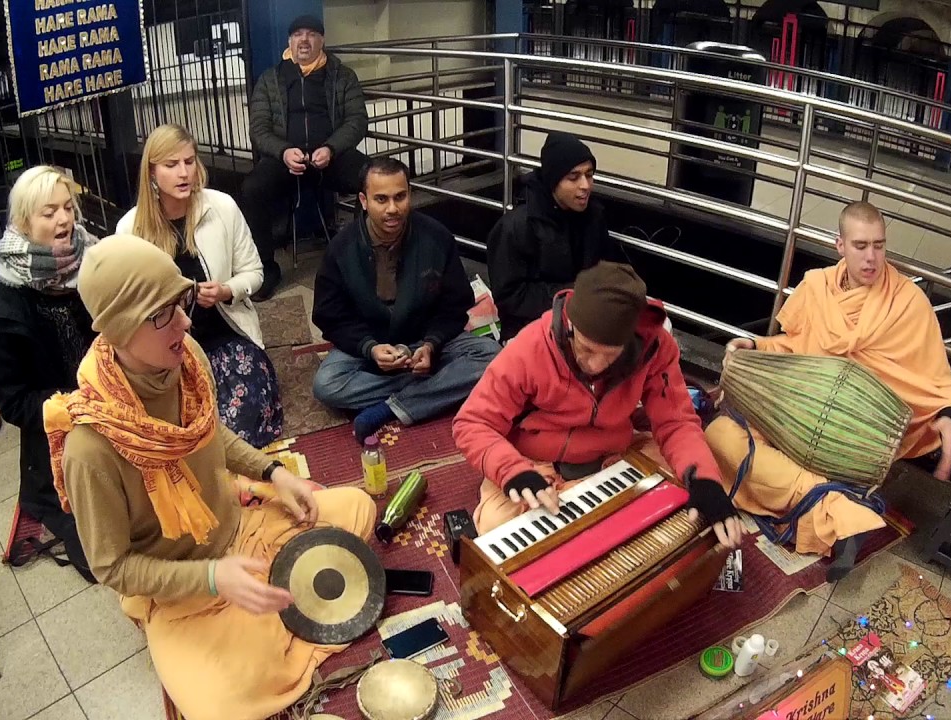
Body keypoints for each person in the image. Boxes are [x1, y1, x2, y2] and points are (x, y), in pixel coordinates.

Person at [45, 235, 376, 720]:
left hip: (240, 528)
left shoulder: (186, 356)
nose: (185, 320)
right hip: (180, 587)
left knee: (358, 508)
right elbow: (112, 568)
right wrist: (213, 577)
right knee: (220, 707)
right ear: (118, 331)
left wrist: (273, 472)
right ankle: (249, 622)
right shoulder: (88, 448)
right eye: (161, 314)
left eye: (180, 301)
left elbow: (207, 433)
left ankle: (261, 613)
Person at [710, 201, 951, 579]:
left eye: (879, 245)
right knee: (718, 434)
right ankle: (839, 510)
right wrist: (757, 346)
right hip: (796, 412)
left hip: (854, 441)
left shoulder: (908, 302)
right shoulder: (818, 286)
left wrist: (946, 418)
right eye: (860, 246)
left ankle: (828, 501)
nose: (872, 257)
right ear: (839, 245)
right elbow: (794, 349)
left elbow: (937, 378)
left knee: (748, 460)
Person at [453, 261, 743, 549]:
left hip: (613, 453)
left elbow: (676, 421)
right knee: (499, 531)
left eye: (610, 355)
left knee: (693, 488)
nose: (595, 365)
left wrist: (704, 479)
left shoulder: (655, 346)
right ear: (569, 325)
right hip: (534, 461)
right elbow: (473, 423)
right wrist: (513, 471)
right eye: (586, 349)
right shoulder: (531, 346)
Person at [311, 157, 501, 443]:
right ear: (363, 201)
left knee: (493, 357)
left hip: (426, 341)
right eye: (381, 199)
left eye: (400, 197)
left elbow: (455, 305)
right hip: (372, 347)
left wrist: (431, 344)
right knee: (326, 384)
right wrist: (370, 348)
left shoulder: (436, 237)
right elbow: (329, 315)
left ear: (410, 194)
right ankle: (434, 387)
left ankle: (390, 407)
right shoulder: (342, 248)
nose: (392, 208)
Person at [117, 124, 283, 448]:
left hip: (226, 336)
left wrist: (227, 290)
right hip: (170, 350)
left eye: (189, 162)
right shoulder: (130, 229)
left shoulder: (221, 208)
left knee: (240, 425)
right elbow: (128, 308)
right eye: (171, 165)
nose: (184, 173)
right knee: (183, 432)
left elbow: (254, 272)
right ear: (151, 173)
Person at [0, 165, 99, 583]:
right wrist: (76, 407)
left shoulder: (93, 257)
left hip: (115, 400)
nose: (64, 220)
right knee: (101, 555)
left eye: (68, 208)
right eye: (49, 212)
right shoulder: (6, 304)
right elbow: (13, 402)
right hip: (62, 430)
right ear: (23, 222)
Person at [242, 14, 370, 300]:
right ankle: (265, 268)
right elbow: (259, 128)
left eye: (311, 34)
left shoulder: (342, 76)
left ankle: (362, 261)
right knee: (252, 190)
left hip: (332, 157)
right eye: (298, 34)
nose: (304, 40)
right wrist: (283, 151)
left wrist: (332, 147)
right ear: (290, 41)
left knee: (372, 179)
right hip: (285, 160)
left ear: (322, 40)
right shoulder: (270, 79)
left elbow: (357, 120)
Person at [487, 131, 627, 340]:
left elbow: (609, 267)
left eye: (589, 175)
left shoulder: (594, 217)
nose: (585, 186)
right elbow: (510, 297)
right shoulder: (517, 227)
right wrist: (575, 294)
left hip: (585, 320)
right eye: (574, 177)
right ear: (554, 181)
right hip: (531, 330)